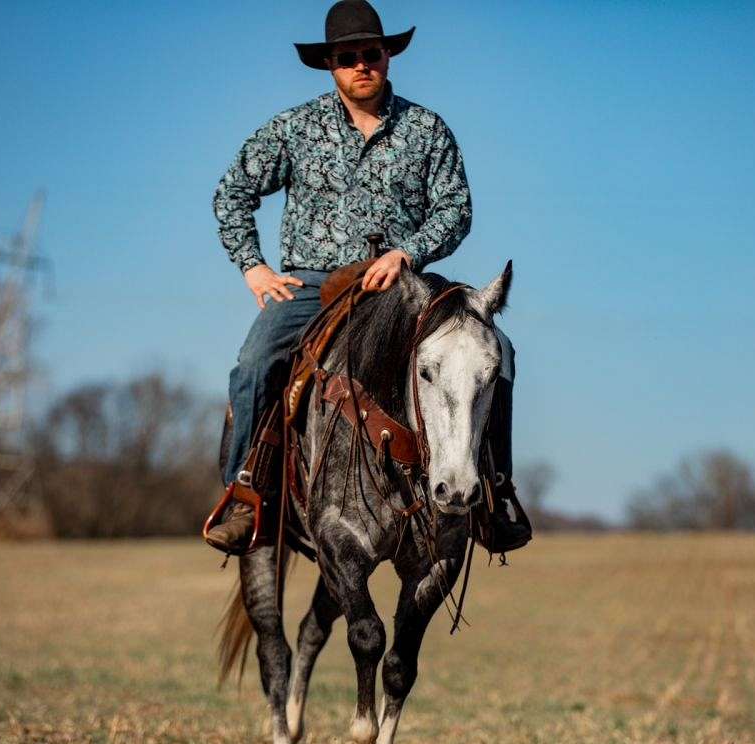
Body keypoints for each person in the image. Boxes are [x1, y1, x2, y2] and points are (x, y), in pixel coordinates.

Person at [206, 0, 529, 553]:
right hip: (315, 285)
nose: (361, 65)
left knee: (494, 348)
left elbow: (455, 209)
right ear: (330, 65)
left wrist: (408, 251)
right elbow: (231, 191)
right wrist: (253, 266)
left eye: (370, 54)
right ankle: (245, 492)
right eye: (347, 57)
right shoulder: (294, 128)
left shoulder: (427, 129)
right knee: (256, 360)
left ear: (387, 57)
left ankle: (495, 492)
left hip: (403, 287)